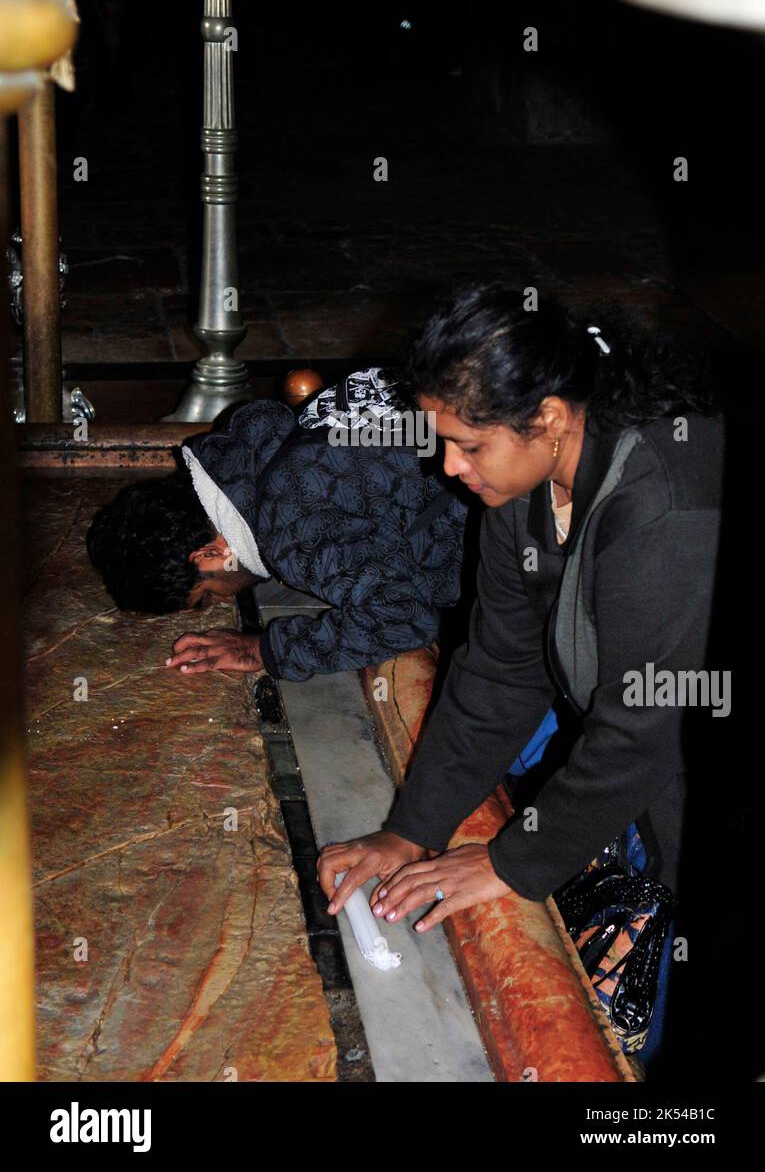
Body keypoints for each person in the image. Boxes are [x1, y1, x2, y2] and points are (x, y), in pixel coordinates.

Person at [318, 288, 722, 978]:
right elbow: (500, 667)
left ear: (549, 418)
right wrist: (410, 831)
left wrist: (513, 863)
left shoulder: (664, 507)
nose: (448, 467)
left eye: (467, 445)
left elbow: (645, 727)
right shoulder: (523, 484)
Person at [86, 369, 468, 682]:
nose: (221, 600)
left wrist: (262, 650)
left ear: (209, 553)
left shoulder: (292, 530)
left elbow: (403, 615)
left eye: (206, 595)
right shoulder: (265, 441)